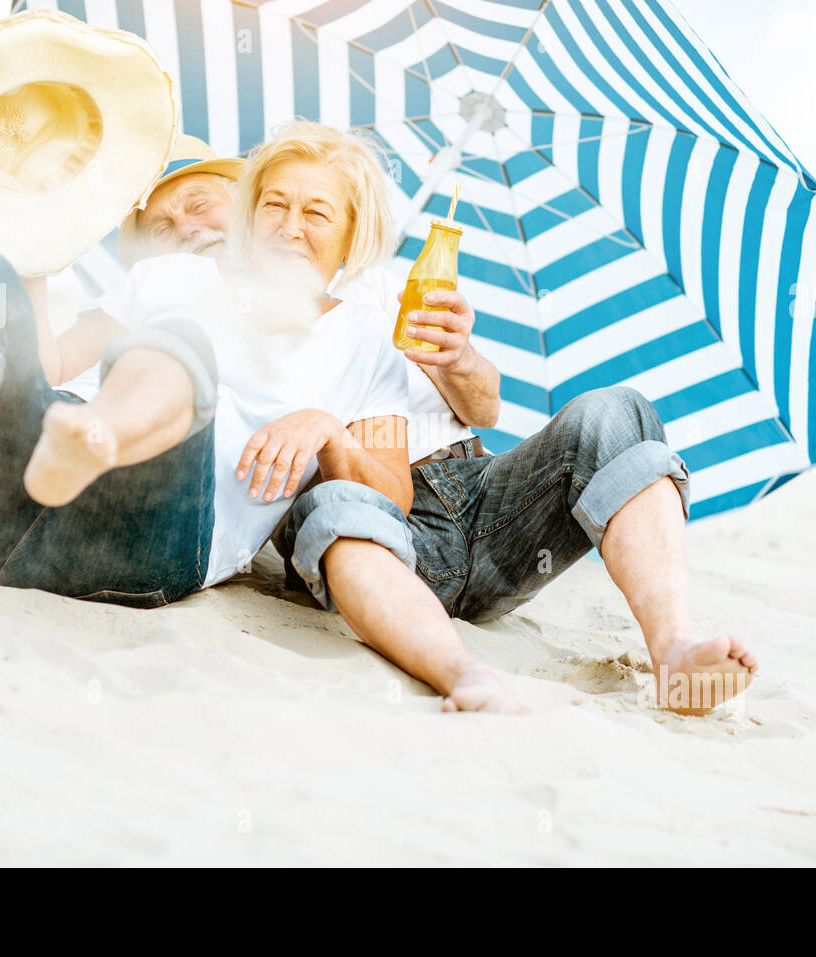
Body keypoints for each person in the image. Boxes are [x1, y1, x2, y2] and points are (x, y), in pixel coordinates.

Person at [0, 120, 525, 714]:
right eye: (274, 204)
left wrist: (325, 429)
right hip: (12, 512)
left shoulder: (365, 336)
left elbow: (392, 492)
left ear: (352, 238)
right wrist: (39, 238)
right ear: (248, 214)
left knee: (183, 341)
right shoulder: (166, 278)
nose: (291, 225)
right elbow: (47, 360)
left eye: (318, 212)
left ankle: (101, 437)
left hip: (154, 537)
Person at [122, 140, 758, 715]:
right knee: (340, 501)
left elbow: (487, 410)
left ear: (238, 201)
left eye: (196, 205)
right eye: (160, 226)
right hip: (368, 524)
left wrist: (459, 360)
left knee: (614, 411)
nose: (182, 228)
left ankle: (673, 650)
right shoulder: (185, 316)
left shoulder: (385, 283)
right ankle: (458, 669)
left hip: (483, 495)